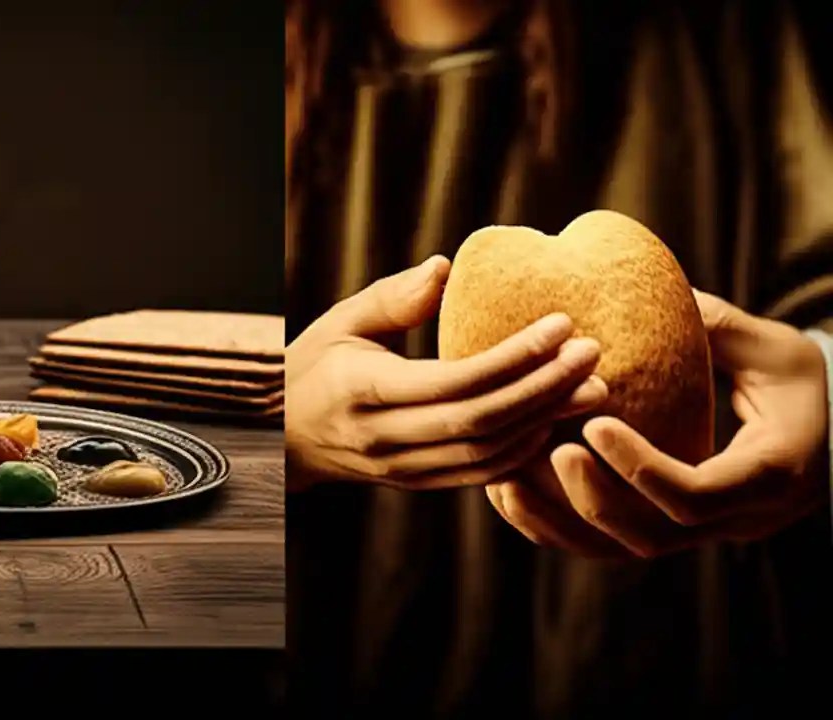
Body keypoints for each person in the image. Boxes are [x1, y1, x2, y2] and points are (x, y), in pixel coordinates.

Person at [285, 0, 833, 716]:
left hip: (671, 644)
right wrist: (278, 434)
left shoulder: (733, 37)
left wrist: (825, 392)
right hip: (351, 639)